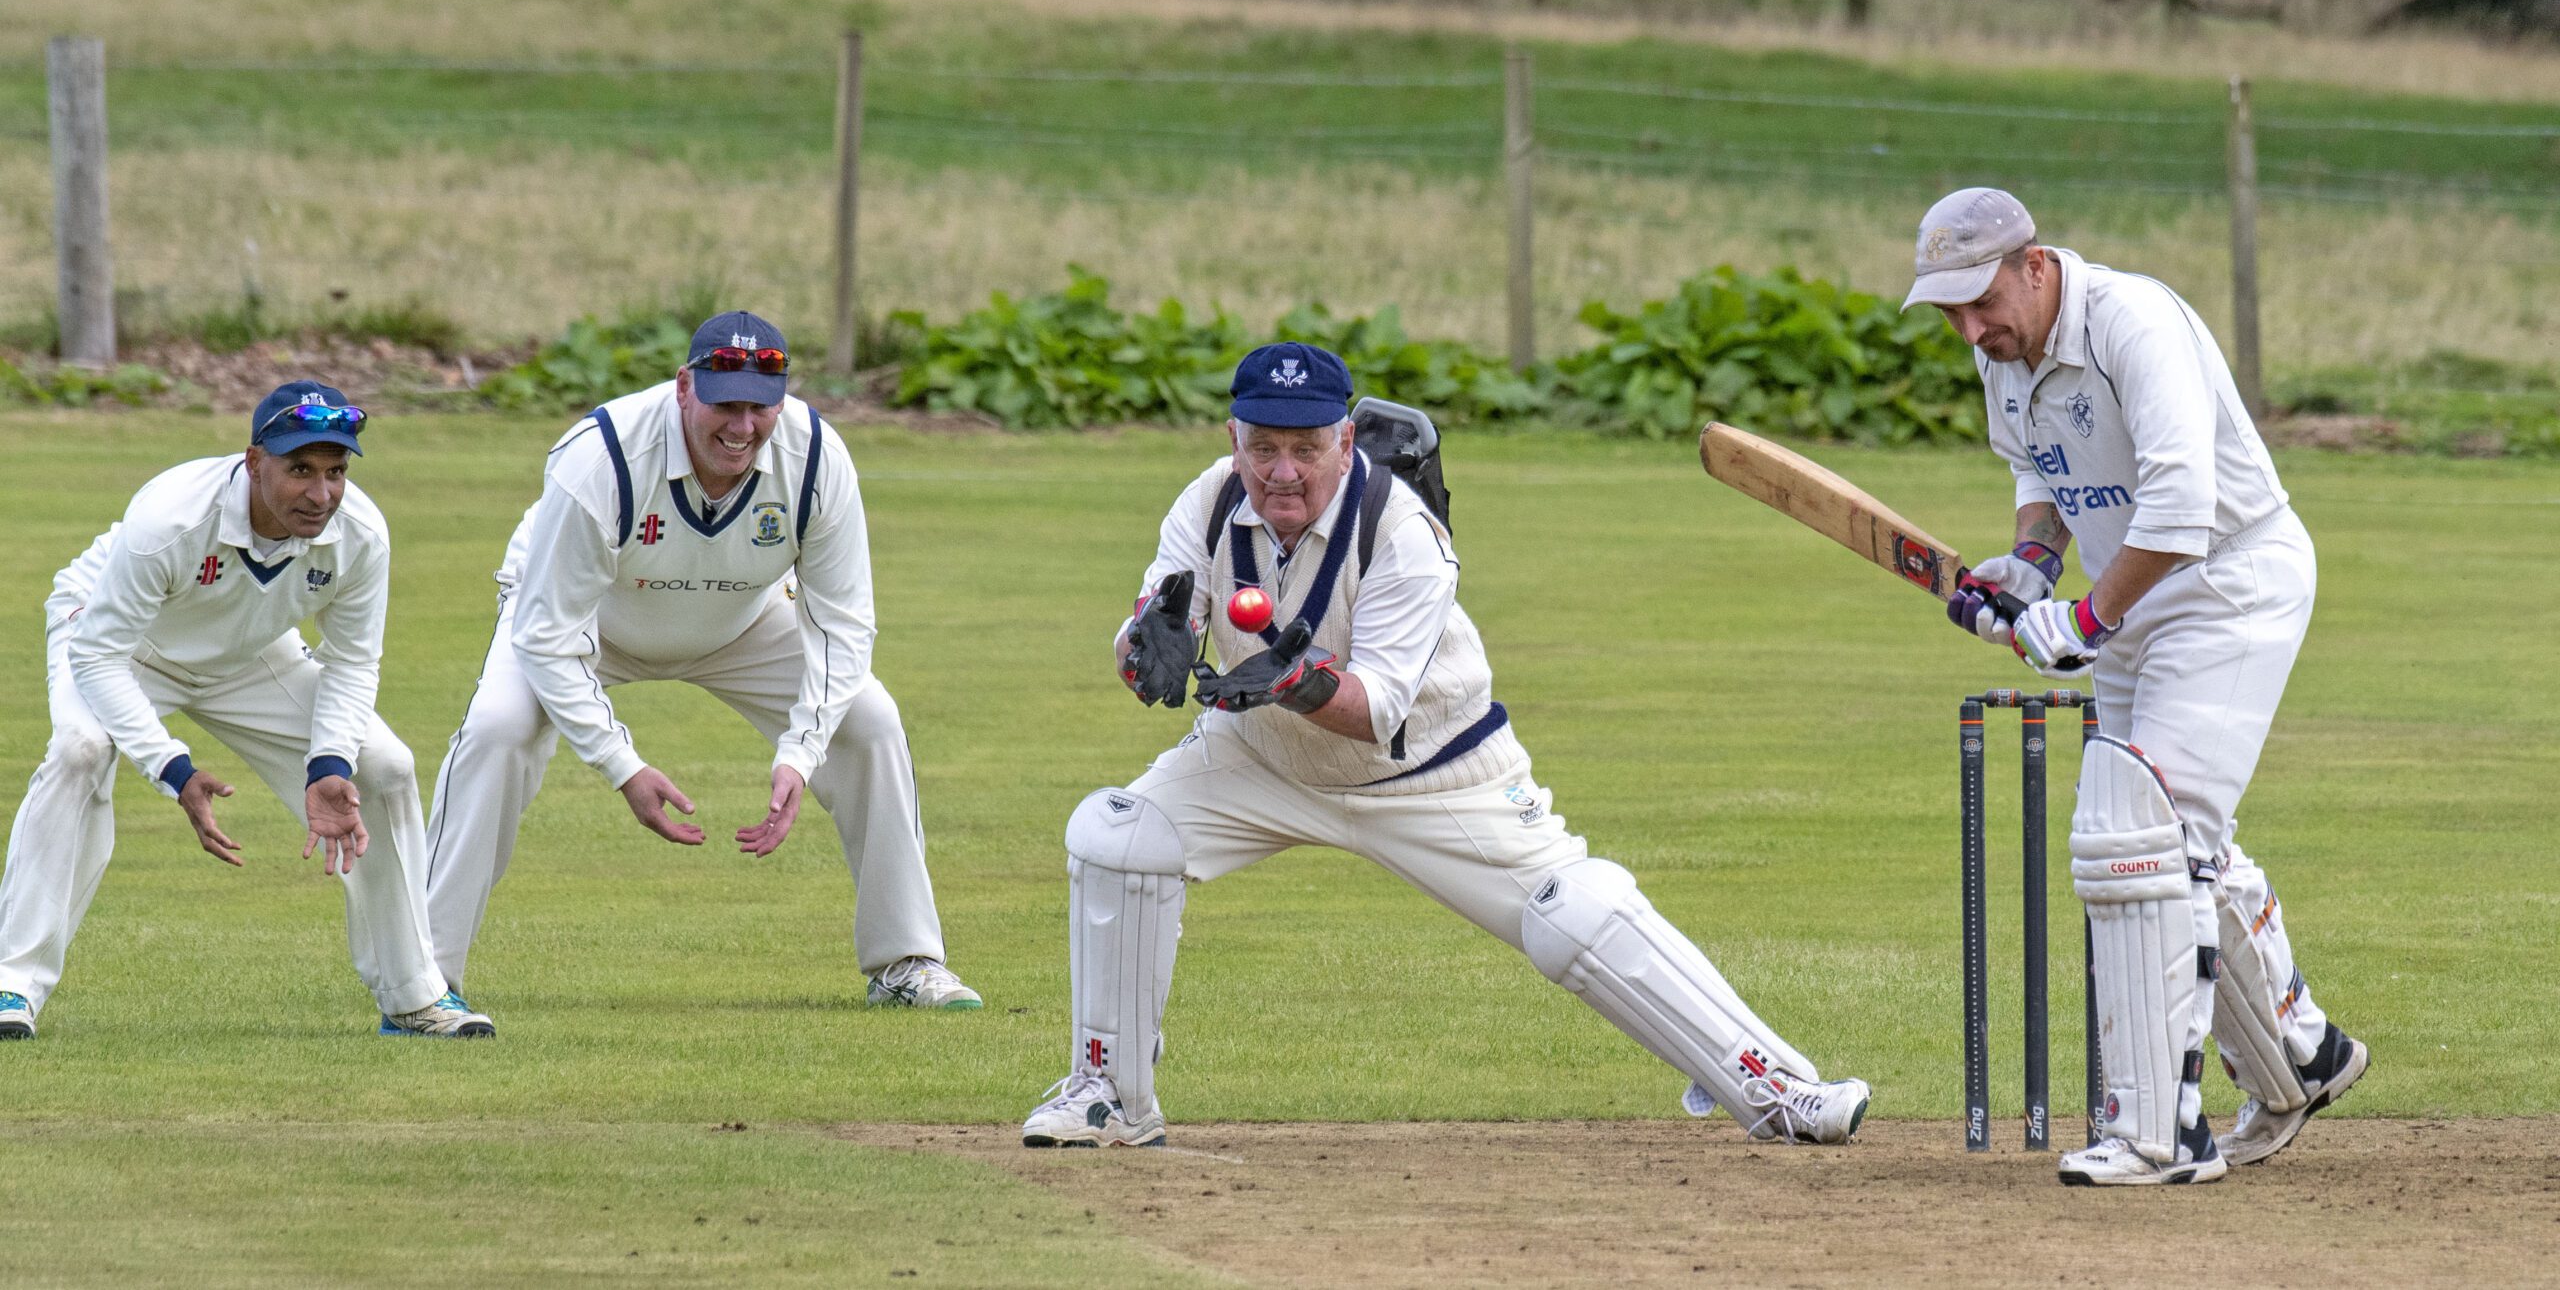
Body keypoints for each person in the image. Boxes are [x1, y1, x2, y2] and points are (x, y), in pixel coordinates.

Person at [1019, 341, 1868, 1148]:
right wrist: (1143, 649)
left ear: (1344, 442)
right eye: (1264, 447)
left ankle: (1775, 1087)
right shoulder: (1207, 502)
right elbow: (1156, 638)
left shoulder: (1401, 532)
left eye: (1307, 448)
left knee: (1572, 914)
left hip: (1434, 773)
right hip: (1261, 761)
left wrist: (1285, 679)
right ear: (1232, 439)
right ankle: (1110, 1096)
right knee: (1116, 833)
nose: (1283, 472)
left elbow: (1376, 711)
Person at [1915, 188, 2366, 1186]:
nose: (1970, 329)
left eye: (1980, 301)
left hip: (2227, 584)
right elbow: (2044, 475)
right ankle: (2301, 1053)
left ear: (2033, 265)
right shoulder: (2004, 355)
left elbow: (2177, 507)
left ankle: (2162, 1136)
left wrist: (2082, 619)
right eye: (1949, 313)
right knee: (2167, 841)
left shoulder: (2132, 322)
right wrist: (2030, 565)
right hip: (2140, 595)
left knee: (2138, 836)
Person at [422, 312, 977, 1011]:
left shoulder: (816, 458)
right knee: (498, 728)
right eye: (725, 404)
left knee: (868, 720)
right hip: (587, 619)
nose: (741, 427)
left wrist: (801, 753)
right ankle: (426, 980)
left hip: (742, 620)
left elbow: (843, 624)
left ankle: (907, 963)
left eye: (759, 406)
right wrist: (621, 766)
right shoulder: (601, 457)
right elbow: (544, 635)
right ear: (684, 387)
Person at [0, 382, 486, 1041]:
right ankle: (12, 987)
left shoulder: (360, 535)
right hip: (123, 642)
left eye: (336, 472)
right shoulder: (169, 517)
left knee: (385, 766)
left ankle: (414, 998)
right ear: (254, 462)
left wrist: (329, 764)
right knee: (78, 753)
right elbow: (98, 659)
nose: (321, 494)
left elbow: (352, 661)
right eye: (300, 471)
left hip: (251, 649)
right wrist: (173, 768)